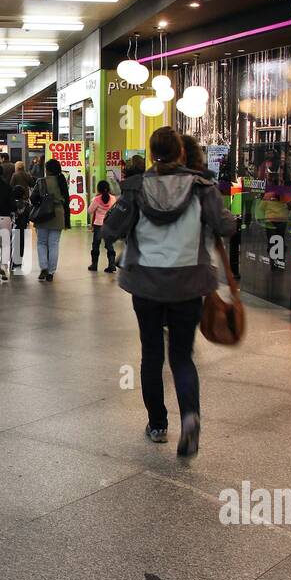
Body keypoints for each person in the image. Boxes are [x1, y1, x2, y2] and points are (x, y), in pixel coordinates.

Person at [116, 127, 236, 458]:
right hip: (188, 284)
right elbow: (226, 226)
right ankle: (191, 418)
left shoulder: (136, 188)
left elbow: (113, 226)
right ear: (181, 153)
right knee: (182, 356)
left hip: (145, 284)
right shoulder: (203, 188)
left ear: (152, 153)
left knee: (151, 354)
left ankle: (157, 425)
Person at [34, 158, 70, 281]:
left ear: (47, 170)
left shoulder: (41, 181)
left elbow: (33, 199)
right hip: (58, 214)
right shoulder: (62, 181)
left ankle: (43, 267)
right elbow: (67, 200)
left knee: (41, 243)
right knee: (54, 244)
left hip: (43, 215)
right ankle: (51, 272)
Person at [87, 179, 118, 273]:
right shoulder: (113, 198)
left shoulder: (96, 199)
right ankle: (112, 264)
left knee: (96, 244)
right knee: (109, 244)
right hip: (110, 224)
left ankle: (94, 265)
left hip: (98, 225)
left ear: (98, 189)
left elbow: (89, 211)